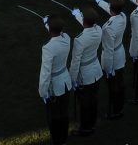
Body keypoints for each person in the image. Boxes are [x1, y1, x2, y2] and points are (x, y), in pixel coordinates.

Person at [38, 16, 72, 145]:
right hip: (65, 81)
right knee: (64, 112)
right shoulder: (67, 38)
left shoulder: (48, 48)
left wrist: (43, 92)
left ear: (50, 29)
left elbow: (45, 73)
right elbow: (57, 32)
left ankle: (58, 140)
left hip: (55, 86)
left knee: (54, 116)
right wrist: (48, 23)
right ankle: (64, 137)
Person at [68, 7, 102, 137]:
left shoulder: (79, 40)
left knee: (84, 104)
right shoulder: (98, 29)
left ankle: (85, 128)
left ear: (85, 21)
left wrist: (73, 79)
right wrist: (78, 15)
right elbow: (87, 25)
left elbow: (75, 62)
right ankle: (92, 124)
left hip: (85, 75)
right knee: (93, 100)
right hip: (96, 71)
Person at [94, 0, 127, 119]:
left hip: (112, 58)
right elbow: (112, 10)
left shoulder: (108, 28)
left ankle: (115, 110)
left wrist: (108, 69)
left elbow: (108, 52)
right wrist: (100, 2)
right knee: (120, 81)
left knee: (113, 86)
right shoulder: (123, 16)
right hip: (120, 53)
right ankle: (120, 107)